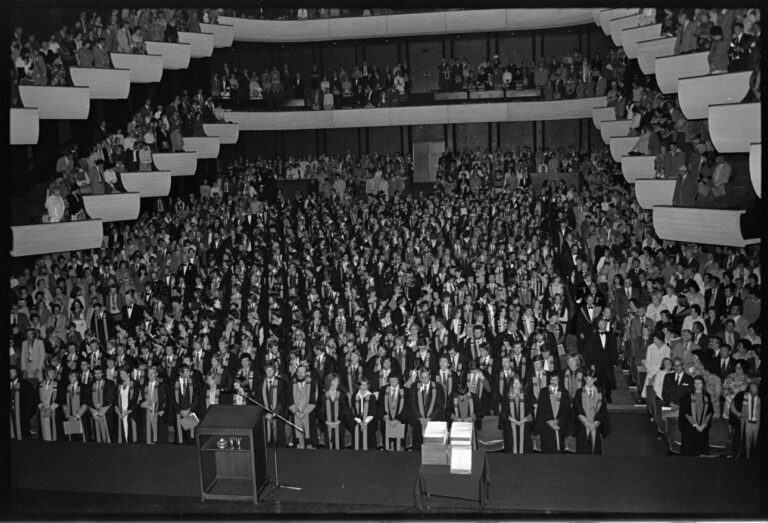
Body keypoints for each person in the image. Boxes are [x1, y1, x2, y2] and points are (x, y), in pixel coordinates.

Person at [572, 368, 610, 454]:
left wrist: (595, 423)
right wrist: (587, 423)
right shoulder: (579, 392)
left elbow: (602, 409)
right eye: (587, 379)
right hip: (583, 426)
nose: (589, 382)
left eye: (592, 379)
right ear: (584, 378)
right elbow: (577, 409)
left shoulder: (600, 392)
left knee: (595, 451)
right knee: (582, 451)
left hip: (595, 426)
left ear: (595, 379)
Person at [409, 367, 445, 450]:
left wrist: (430, 418)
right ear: (419, 377)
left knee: (432, 448)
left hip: (433, 419)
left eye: (426, 377)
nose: (424, 380)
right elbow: (412, 403)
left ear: (430, 376)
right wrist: (420, 418)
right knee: (418, 447)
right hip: (419, 420)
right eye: (422, 377)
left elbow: (440, 405)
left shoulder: (438, 387)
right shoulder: (414, 386)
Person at [535, 372, 571, 453]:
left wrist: (557, 421)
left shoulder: (564, 392)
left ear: (559, 380)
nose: (553, 381)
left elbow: (566, 410)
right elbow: (541, 410)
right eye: (551, 379)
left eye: (555, 379)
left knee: (559, 450)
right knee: (546, 449)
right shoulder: (543, 392)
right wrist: (550, 422)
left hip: (559, 426)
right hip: (546, 425)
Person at [679, 375, 714, 456]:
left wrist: (704, 425)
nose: (697, 385)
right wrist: (696, 425)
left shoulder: (707, 396)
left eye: (699, 383)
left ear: (703, 384)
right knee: (689, 451)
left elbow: (710, 412)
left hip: (702, 428)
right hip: (689, 427)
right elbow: (685, 412)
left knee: (701, 451)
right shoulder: (687, 396)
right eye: (695, 383)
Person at [499, 376, 534, 454]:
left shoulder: (527, 397)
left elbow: (531, 413)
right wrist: (516, 421)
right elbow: (504, 414)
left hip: (524, 425)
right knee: (511, 447)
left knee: (524, 448)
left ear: (521, 385)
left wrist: (521, 421)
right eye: (514, 383)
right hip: (510, 426)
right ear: (512, 385)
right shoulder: (507, 398)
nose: (516, 385)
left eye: (518, 383)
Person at [287, 364, 318, 449]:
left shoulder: (312, 383)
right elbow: (289, 399)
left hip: (308, 414)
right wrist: (296, 412)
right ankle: (299, 457)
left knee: (310, 439)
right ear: (296, 372)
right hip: (295, 414)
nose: (301, 374)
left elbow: (314, 400)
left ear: (307, 373)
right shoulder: (292, 383)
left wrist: (303, 413)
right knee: (298, 439)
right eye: (299, 372)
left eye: (303, 372)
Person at [170, 364, 201, 444]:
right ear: (181, 373)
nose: (189, 372)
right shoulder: (174, 382)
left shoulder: (193, 381)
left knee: (191, 439)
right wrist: (180, 410)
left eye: (189, 370)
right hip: (179, 412)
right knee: (180, 439)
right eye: (187, 371)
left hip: (190, 411)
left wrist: (189, 409)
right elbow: (172, 398)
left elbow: (197, 397)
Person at [730, 380, 760, 459]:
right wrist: (738, 414)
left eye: (756, 388)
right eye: (752, 387)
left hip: (757, 425)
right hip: (744, 424)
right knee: (741, 446)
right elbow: (732, 406)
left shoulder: (761, 398)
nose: (754, 389)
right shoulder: (741, 395)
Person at [87, 366, 117, 443]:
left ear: (103, 373)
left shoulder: (110, 383)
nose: (98, 375)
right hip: (95, 414)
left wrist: (101, 413)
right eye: (95, 373)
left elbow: (110, 398)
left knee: (111, 435)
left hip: (107, 413)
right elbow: (88, 399)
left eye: (99, 373)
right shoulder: (90, 385)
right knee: (97, 435)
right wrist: (95, 414)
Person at [317, 372, 347, 450]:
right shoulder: (323, 396)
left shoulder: (341, 395)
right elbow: (320, 412)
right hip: (327, 425)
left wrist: (338, 421)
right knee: (328, 447)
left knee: (339, 446)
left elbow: (345, 411)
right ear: (329, 382)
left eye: (337, 381)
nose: (335, 383)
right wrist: (327, 422)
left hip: (339, 425)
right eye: (333, 381)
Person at [379, 373, 408, 450]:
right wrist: (385, 417)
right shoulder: (383, 389)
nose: (392, 382)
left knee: (399, 449)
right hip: (386, 423)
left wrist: (398, 419)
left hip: (400, 422)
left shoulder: (405, 391)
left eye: (394, 380)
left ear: (399, 380)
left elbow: (407, 408)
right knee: (387, 450)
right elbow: (380, 406)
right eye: (390, 380)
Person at [349, 377, 378, 450]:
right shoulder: (354, 396)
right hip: (357, 420)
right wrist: (360, 422)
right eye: (362, 385)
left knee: (369, 439)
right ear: (358, 386)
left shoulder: (372, 396)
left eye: (366, 385)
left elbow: (373, 411)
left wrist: (365, 422)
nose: (364, 387)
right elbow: (353, 411)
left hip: (369, 420)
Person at [141, 365, 168, 444]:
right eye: (149, 373)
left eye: (152, 373)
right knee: (148, 434)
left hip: (158, 413)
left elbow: (166, 399)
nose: (150, 375)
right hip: (147, 413)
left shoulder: (162, 385)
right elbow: (139, 399)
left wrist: (162, 409)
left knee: (159, 436)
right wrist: (143, 403)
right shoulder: (144, 386)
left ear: (156, 374)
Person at [115, 366, 141, 443]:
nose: (121, 376)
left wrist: (127, 412)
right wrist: (118, 411)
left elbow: (136, 400)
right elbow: (116, 400)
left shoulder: (135, 384)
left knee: (132, 435)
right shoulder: (119, 385)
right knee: (123, 435)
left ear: (129, 374)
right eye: (120, 374)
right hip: (121, 413)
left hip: (131, 413)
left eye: (123, 373)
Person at [10, 365, 36, 440]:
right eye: (9, 372)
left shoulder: (25, 384)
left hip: (22, 414)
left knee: (23, 436)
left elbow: (31, 399)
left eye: (13, 372)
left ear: (17, 373)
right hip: (11, 414)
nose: (11, 374)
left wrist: (29, 412)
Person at [37, 367, 62, 441]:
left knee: (55, 433)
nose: (53, 374)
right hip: (42, 410)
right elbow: (36, 398)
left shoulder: (59, 384)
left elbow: (60, 397)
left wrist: (50, 408)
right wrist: (42, 407)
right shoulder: (40, 384)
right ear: (46, 373)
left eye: (54, 372)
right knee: (43, 433)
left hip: (54, 411)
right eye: (51, 372)